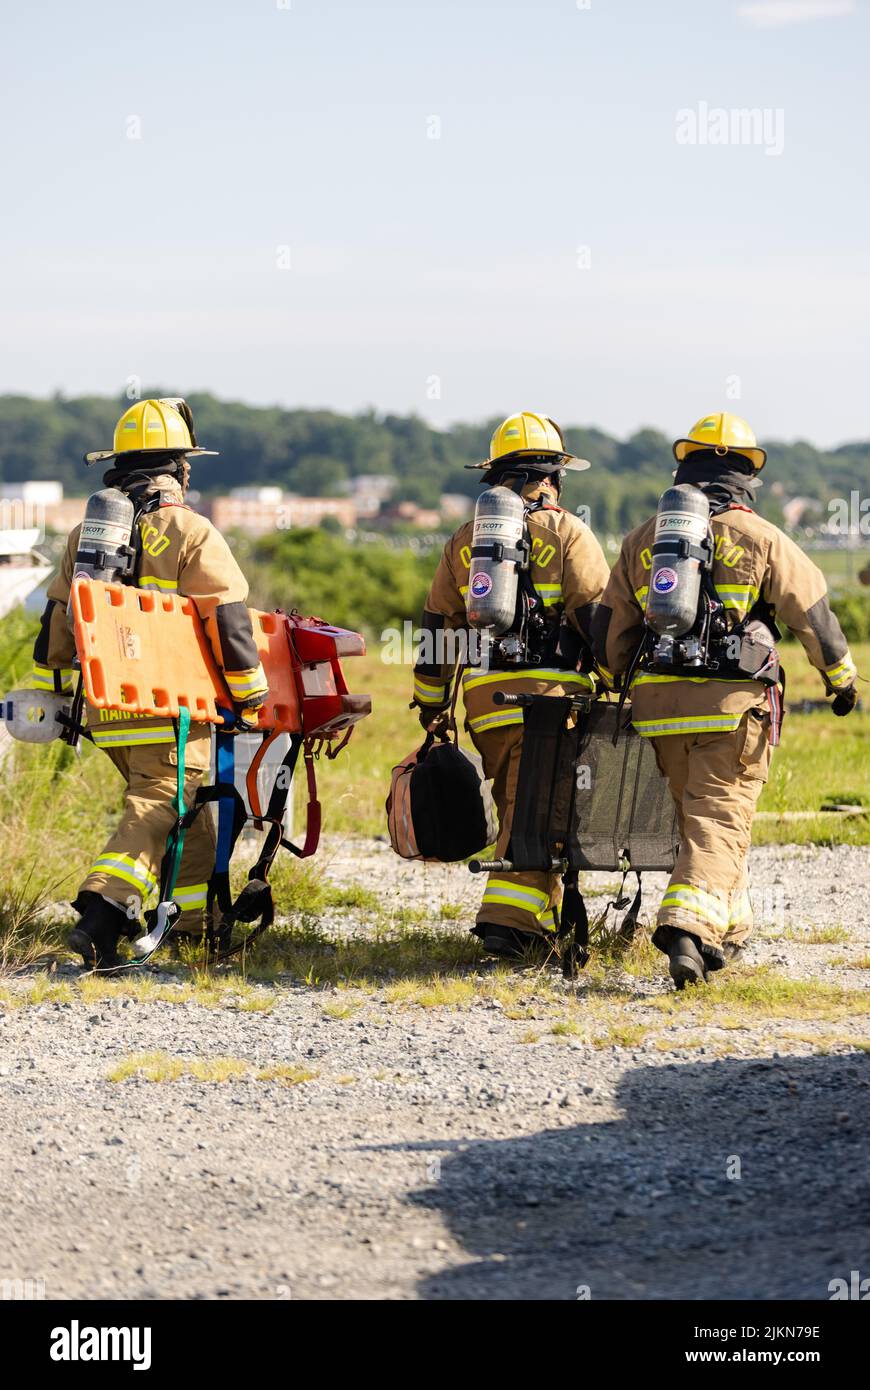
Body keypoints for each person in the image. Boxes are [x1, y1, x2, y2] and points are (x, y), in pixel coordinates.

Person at [593, 411, 860, 987]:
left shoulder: (643, 539)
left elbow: (612, 635)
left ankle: (727, 936)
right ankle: (686, 930)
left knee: (705, 823)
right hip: (731, 707)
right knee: (719, 818)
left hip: (658, 711)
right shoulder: (761, 537)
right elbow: (813, 615)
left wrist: (619, 682)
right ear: (744, 476)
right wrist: (841, 680)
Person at [31, 397, 269, 969]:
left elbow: (57, 625)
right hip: (170, 706)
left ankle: (193, 924)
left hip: (106, 708)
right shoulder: (191, 531)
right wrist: (252, 696)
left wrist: (53, 694)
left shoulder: (82, 537)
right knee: (163, 802)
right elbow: (230, 620)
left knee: (184, 812)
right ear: (178, 469)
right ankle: (104, 911)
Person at [412, 411, 610, 959]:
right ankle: (510, 923)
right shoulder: (569, 532)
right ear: (551, 478)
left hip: (487, 702)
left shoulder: (464, 541)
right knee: (538, 811)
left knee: (516, 799)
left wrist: (433, 704)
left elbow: (438, 630)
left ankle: (527, 917)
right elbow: (596, 620)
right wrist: (618, 682)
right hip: (551, 703)